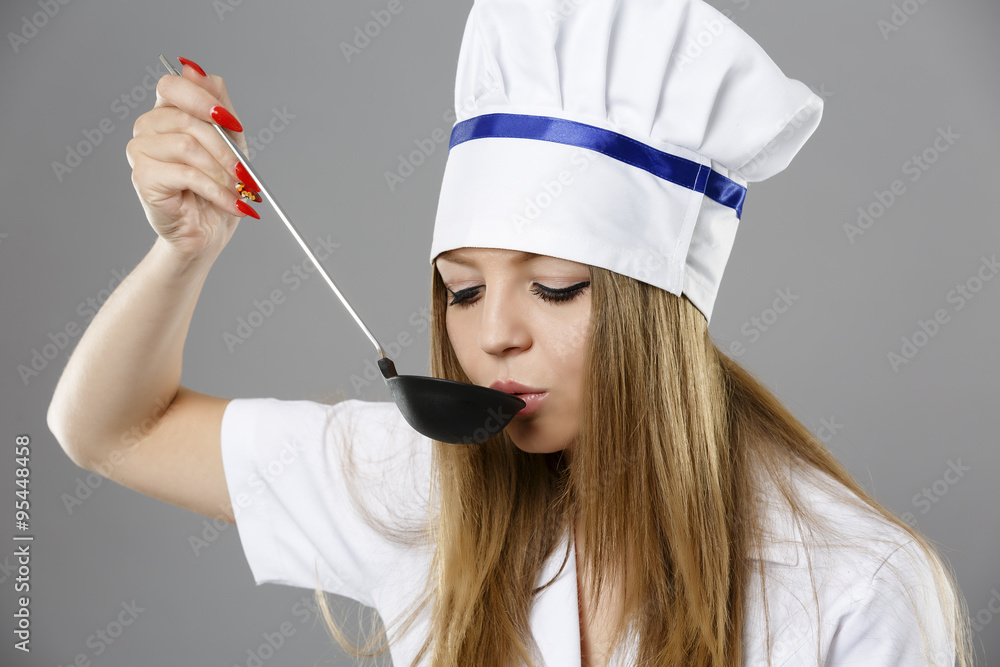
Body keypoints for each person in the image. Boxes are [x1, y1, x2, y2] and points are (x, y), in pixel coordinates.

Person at [47, 1, 973, 665]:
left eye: (557, 288)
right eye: (460, 290)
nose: (493, 336)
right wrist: (184, 254)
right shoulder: (419, 484)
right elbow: (110, 428)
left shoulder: (856, 587)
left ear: (660, 313)